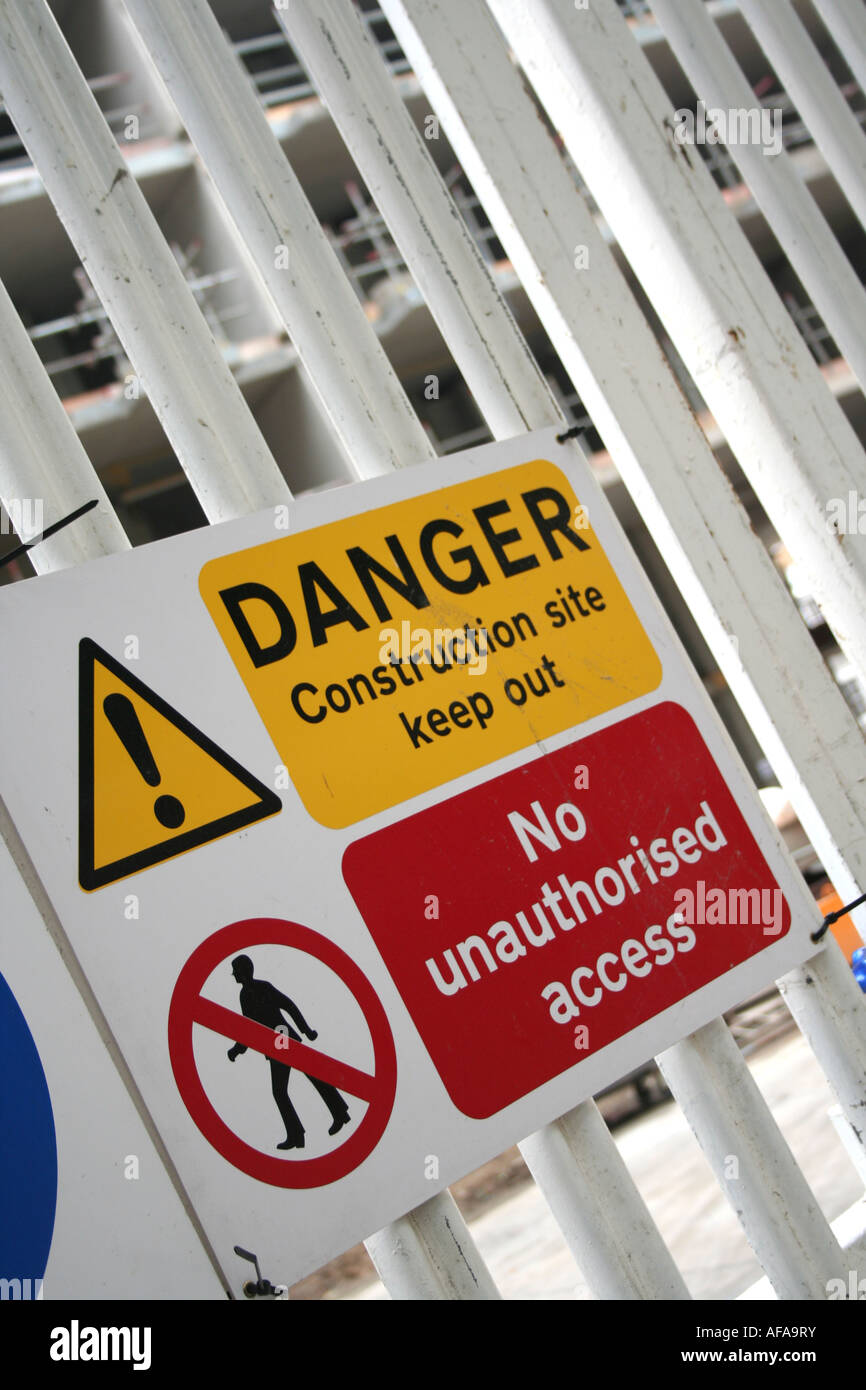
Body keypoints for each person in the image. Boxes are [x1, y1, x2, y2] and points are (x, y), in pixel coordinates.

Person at [226, 954, 351, 1150]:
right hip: (275, 1047)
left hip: (284, 1041)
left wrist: (306, 1030)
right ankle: (302, 1132)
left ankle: (324, 1122)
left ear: (244, 971)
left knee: (299, 1083)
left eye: (236, 972)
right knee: (290, 1087)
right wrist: (238, 1049)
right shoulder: (244, 996)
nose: (234, 976)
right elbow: (248, 1028)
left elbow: (288, 1005)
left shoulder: (263, 987)